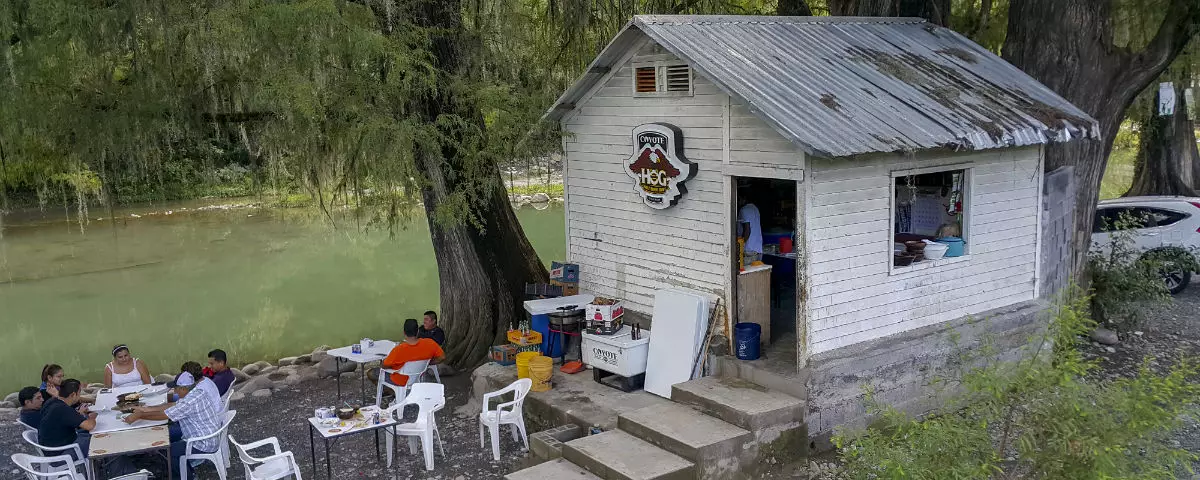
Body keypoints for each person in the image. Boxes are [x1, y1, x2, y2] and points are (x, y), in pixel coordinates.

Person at [125, 362, 223, 480]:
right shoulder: (196, 392)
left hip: (203, 443)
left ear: (183, 388)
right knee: (168, 440)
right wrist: (145, 409)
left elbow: (164, 415)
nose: (175, 392)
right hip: (207, 435)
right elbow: (172, 405)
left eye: (176, 388)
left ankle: (184, 477)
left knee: (170, 452)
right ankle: (188, 473)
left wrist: (140, 416)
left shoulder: (189, 402)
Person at [38, 379, 96, 460]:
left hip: (50, 448)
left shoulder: (52, 401)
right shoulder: (63, 409)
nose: (80, 396)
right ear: (73, 394)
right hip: (60, 454)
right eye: (79, 393)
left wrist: (79, 413)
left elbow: (67, 418)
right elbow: (90, 426)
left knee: (88, 435)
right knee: (97, 441)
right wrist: (93, 416)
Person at [382, 319, 445, 386]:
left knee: (371, 373)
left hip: (400, 381)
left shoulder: (399, 349)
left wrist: (382, 361)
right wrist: (428, 363)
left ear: (404, 332)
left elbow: (384, 366)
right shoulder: (430, 343)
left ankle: (395, 393)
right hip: (418, 378)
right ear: (418, 331)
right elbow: (442, 357)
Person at [737, 194, 763, 264]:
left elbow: (747, 231)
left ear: (744, 198)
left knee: (746, 272)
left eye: (739, 199)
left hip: (748, 251)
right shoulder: (755, 208)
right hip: (758, 249)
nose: (738, 202)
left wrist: (739, 246)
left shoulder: (744, 210)